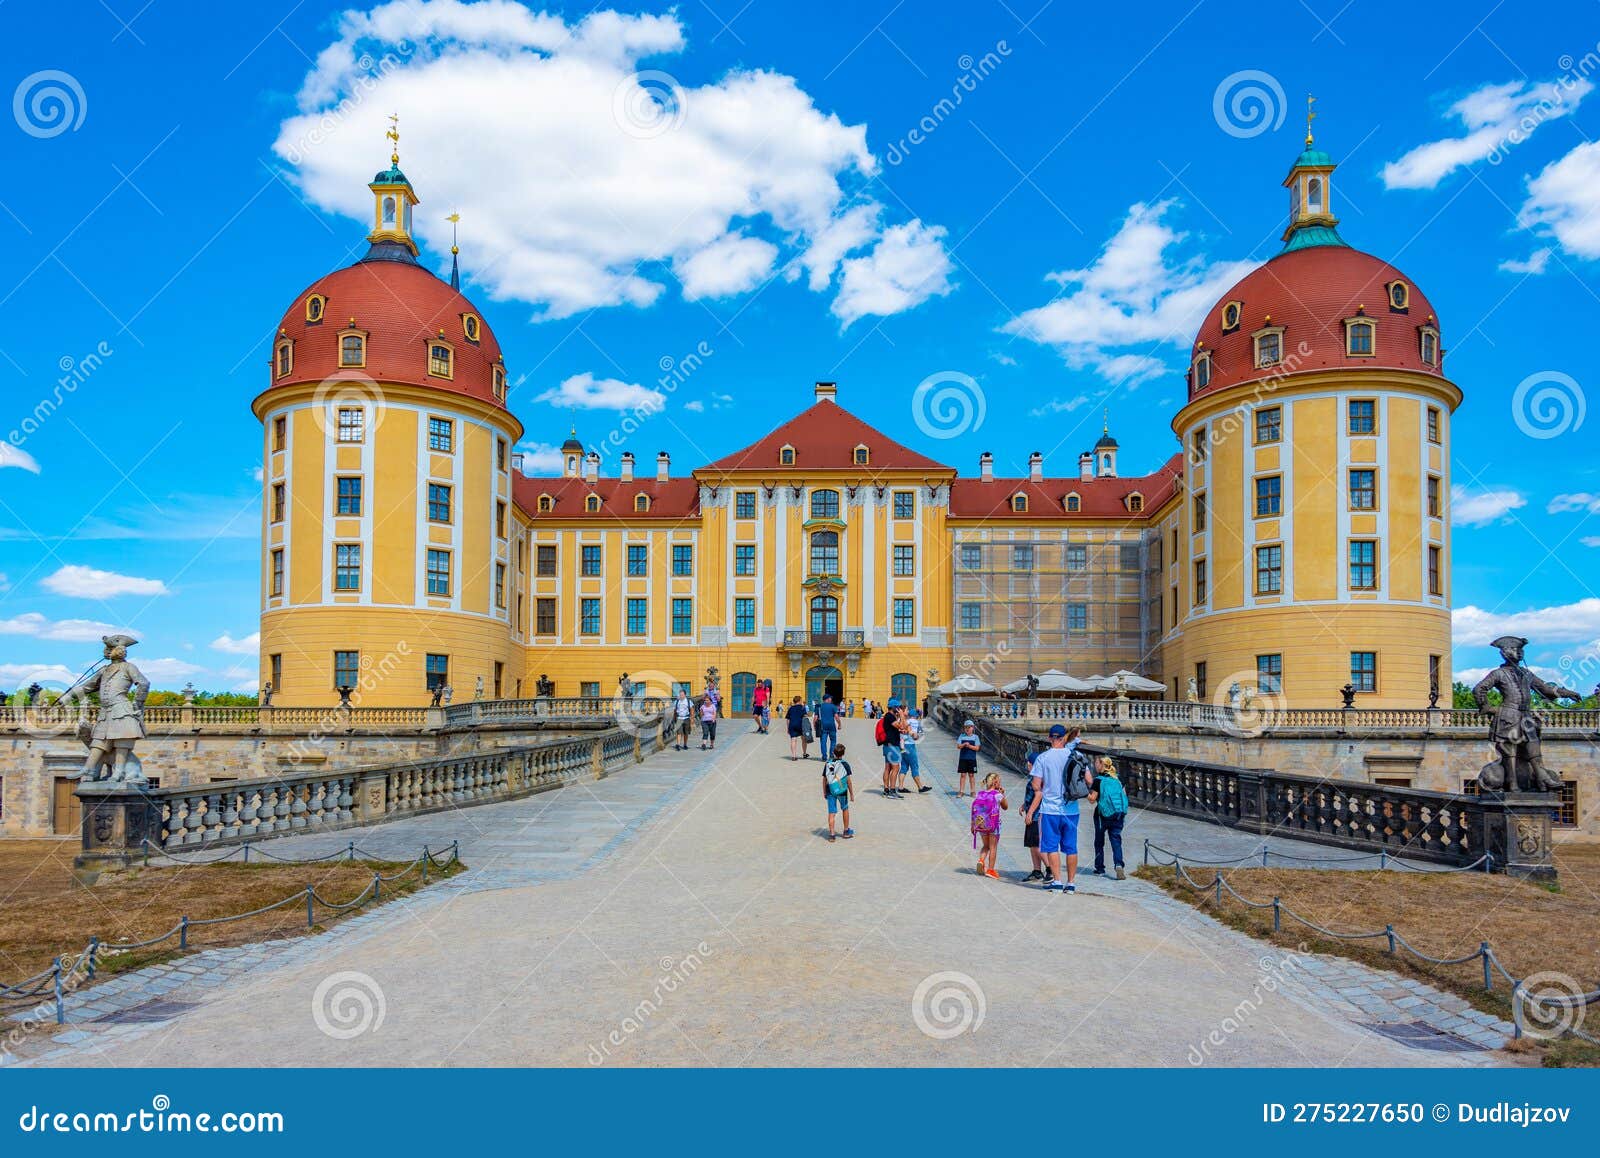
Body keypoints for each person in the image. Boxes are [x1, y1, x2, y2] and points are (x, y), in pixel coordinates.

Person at [1022, 725, 1090, 893]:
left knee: (1051, 847)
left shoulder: (1043, 758)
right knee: (1071, 848)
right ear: (1064, 737)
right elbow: (1089, 779)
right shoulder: (1076, 755)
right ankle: (1071, 883)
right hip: (1071, 809)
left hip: (1050, 810)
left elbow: (1037, 785)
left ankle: (1058, 881)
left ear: (1050, 737)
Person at [1090, 755, 1129, 879]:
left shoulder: (1098, 780)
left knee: (1099, 842)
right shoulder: (1118, 779)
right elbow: (1123, 796)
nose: (1094, 765)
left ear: (1102, 765)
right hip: (1118, 814)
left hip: (1102, 815)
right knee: (1116, 841)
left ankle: (1100, 868)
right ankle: (1118, 865)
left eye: (1096, 762)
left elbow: (1092, 799)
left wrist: (1084, 791)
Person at [970, 771, 1007, 879]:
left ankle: (981, 860)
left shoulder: (980, 794)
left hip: (981, 825)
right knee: (993, 847)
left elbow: (975, 810)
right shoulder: (998, 795)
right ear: (995, 783)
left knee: (986, 846)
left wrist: (973, 825)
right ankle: (990, 870)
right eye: (999, 782)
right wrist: (1003, 794)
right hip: (993, 825)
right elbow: (1005, 807)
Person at [1021, 749, 1047, 883]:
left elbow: (1039, 795)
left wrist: (1030, 813)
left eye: (1028, 762)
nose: (1027, 765)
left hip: (1037, 816)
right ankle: (1037, 871)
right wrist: (1024, 805)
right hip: (1034, 814)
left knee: (1037, 845)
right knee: (1032, 844)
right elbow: (1031, 797)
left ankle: (1050, 869)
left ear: (1032, 764)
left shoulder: (1036, 779)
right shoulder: (1036, 777)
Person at [822, 742, 855, 842]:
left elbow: (824, 779)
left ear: (833, 752)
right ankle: (846, 831)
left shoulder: (828, 763)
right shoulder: (845, 764)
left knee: (831, 812)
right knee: (845, 809)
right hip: (842, 790)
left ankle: (832, 834)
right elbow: (848, 780)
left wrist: (824, 791)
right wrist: (852, 793)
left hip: (830, 789)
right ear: (843, 754)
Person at [898, 707, 931, 793]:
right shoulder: (916, 722)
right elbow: (918, 735)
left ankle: (900, 787)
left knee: (904, 766)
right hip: (910, 746)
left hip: (902, 746)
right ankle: (920, 787)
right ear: (916, 716)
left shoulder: (904, 721)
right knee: (914, 766)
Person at [878, 699, 903, 797]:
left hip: (888, 745)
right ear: (893, 707)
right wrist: (901, 715)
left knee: (888, 767)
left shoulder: (889, 716)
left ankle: (886, 790)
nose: (899, 708)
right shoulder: (890, 716)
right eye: (898, 707)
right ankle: (892, 790)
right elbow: (900, 726)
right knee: (896, 768)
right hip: (892, 746)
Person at [955, 720, 980, 797]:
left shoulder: (975, 737)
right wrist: (964, 744)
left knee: (971, 775)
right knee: (963, 775)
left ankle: (973, 791)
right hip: (963, 759)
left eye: (969, 727)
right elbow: (958, 746)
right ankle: (961, 791)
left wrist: (969, 746)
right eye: (966, 727)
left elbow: (977, 748)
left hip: (972, 759)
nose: (967, 729)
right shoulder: (962, 736)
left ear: (972, 728)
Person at [814, 693, 840, 760]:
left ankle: (824, 756)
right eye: (830, 698)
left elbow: (815, 718)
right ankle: (831, 755)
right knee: (833, 741)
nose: (831, 699)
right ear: (828, 699)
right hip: (831, 726)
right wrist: (839, 724)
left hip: (822, 727)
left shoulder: (819, 707)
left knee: (823, 742)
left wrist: (815, 726)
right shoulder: (833, 706)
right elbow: (836, 717)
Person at [785, 696, 810, 760]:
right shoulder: (802, 708)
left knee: (793, 740)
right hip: (800, 725)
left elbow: (788, 719)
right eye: (801, 700)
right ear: (799, 701)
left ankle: (794, 756)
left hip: (792, 725)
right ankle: (804, 753)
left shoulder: (790, 708)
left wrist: (788, 728)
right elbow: (805, 716)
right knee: (804, 739)